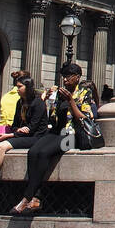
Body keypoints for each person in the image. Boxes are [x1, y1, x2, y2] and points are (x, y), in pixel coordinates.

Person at [13, 62, 97, 216]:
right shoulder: (59, 93)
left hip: (73, 135)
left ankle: (29, 197)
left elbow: (85, 118)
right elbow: (53, 118)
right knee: (33, 151)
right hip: (57, 131)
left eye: (69, 77)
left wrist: (71, 101)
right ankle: (34, 198)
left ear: (77, 78)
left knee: (44, 153)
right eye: (63, 77)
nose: (65, 80)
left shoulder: (85, 93)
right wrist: (50, 102)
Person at [0, 77, 48, 198]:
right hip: (20, 135)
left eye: (19, 87)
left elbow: (32, 129)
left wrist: (11, 134)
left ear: (27, 87)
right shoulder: (20, 102)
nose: (17, 89)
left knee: (2, 146)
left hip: (36, 138)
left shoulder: (38, 103)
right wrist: (17, 130)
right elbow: (15, 125)